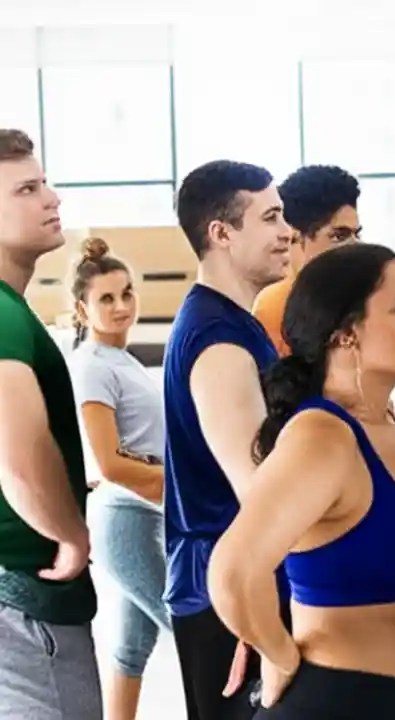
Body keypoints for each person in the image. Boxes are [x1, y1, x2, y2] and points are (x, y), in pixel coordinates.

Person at [208, 242, 395, 719]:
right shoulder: (323, 437)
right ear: (345, 334)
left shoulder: (381, 421)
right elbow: (233, 574)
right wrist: (276, 656)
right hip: (336, 701)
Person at [164, 159, 292, 720]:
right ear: (222, 233)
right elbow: (259, 493)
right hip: (229, 595)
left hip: (237, 586)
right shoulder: (219, 341)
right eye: (270, 217)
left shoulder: (234, 323)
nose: (286, 231)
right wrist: (255, 618)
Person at [0, 128, 101, 719]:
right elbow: (16, 451)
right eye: (28, 189)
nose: (52, 198)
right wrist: (69, 530)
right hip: (25, 593)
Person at [67, 237, 171, 720]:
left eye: (126, 293)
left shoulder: (122, 359)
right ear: (82, 309)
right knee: (193, 629)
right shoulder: (92, 366)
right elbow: (109, 463)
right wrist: (175, 483)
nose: (121, 305)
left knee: (132, 647)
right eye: (106, 298)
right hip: (125, 516)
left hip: (143, 512)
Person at [252, 165, 361, 356]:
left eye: (357, 235)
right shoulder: (273, 310)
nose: (355, 247)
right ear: (293, 238)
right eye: (339, 236)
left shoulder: (362, 301)